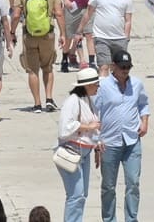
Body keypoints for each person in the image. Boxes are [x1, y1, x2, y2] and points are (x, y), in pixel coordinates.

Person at [96, 50, 148, 222]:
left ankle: (131, 219)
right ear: (113, 67)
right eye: (122, 67)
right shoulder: (102, 86)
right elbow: (94, 113)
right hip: (109, 142)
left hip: (132, 140)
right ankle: (109, 219)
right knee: (109, 186)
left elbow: (143, 104)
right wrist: (97, 138)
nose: (125, 70)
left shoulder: (137, 84)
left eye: (128, 67)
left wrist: (144, 121)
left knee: (133, 183)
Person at [16, 0, 63, 113]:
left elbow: (16, 14)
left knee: (32, 70)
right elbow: (59, 13)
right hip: (47, 34)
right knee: (48, 67)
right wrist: (63, 33)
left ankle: (37, 104)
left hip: (29, 35)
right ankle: (49, 99)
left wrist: (11, 32)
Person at [56, 67, 101, 222]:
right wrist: (88, 127)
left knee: (82, 195)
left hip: (84, 153)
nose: (98, 87)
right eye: (96, 84)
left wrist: (97, 146)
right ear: (87, 85)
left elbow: (95, 127)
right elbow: (64, 129)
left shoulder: (88, 101)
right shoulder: (73, 101)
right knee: (76, 195)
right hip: (72, 152)